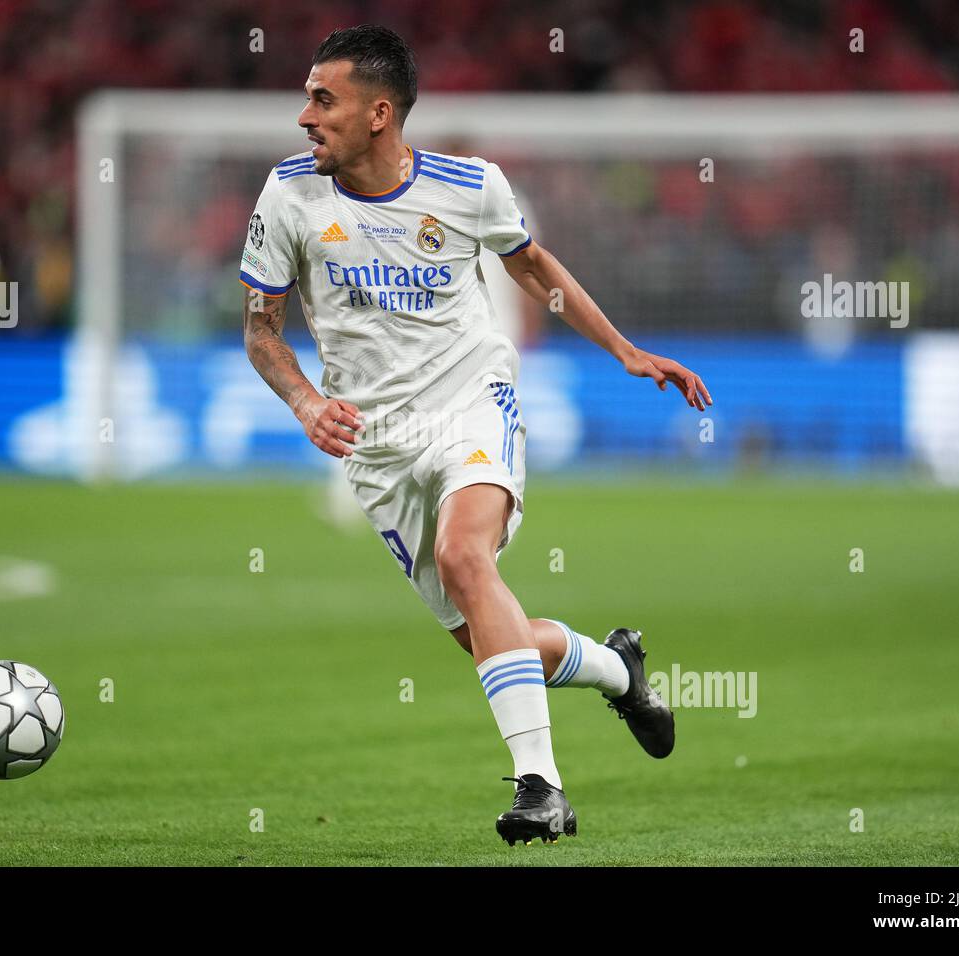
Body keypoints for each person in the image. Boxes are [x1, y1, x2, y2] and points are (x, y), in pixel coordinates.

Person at [240, 24, 712, 845]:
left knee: (468, 558)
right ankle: (616, 669)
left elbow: (533, 267)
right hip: (376, 444)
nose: (304, 116)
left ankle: (542, 789)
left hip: (470, 399)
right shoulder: (287, 197)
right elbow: (261, 330)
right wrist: (305, 402)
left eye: (324, 99)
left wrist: (625, 350)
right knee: (493, 633)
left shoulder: (470, 186)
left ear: (379, 113)